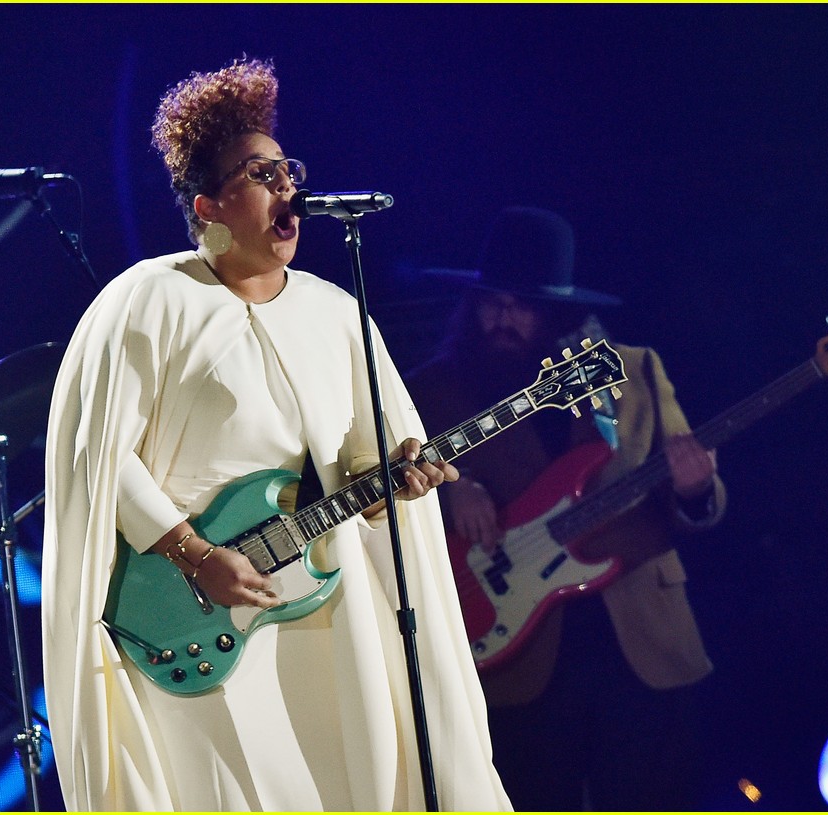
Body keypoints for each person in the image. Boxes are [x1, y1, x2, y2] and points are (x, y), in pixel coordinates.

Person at [40, 57, 510, 812]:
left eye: (285, 170)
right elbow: (97, 462)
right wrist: (195, 553)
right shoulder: (147, 300)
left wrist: (399, 481)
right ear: (209, 205)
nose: (286, 188)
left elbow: (365, 457)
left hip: (320, 603)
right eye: (260, 176)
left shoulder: (333, 311)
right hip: (190, 615)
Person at [405, 206, 725, 811]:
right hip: (517, 649)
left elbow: (703, 496)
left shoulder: (633, 369)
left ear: (556, 310)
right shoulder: (436, 390)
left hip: (637, 637)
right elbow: (388, 482)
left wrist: (694, 488)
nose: (502, 317)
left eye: (521, 305)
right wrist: (452, 486)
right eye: (490, 302)